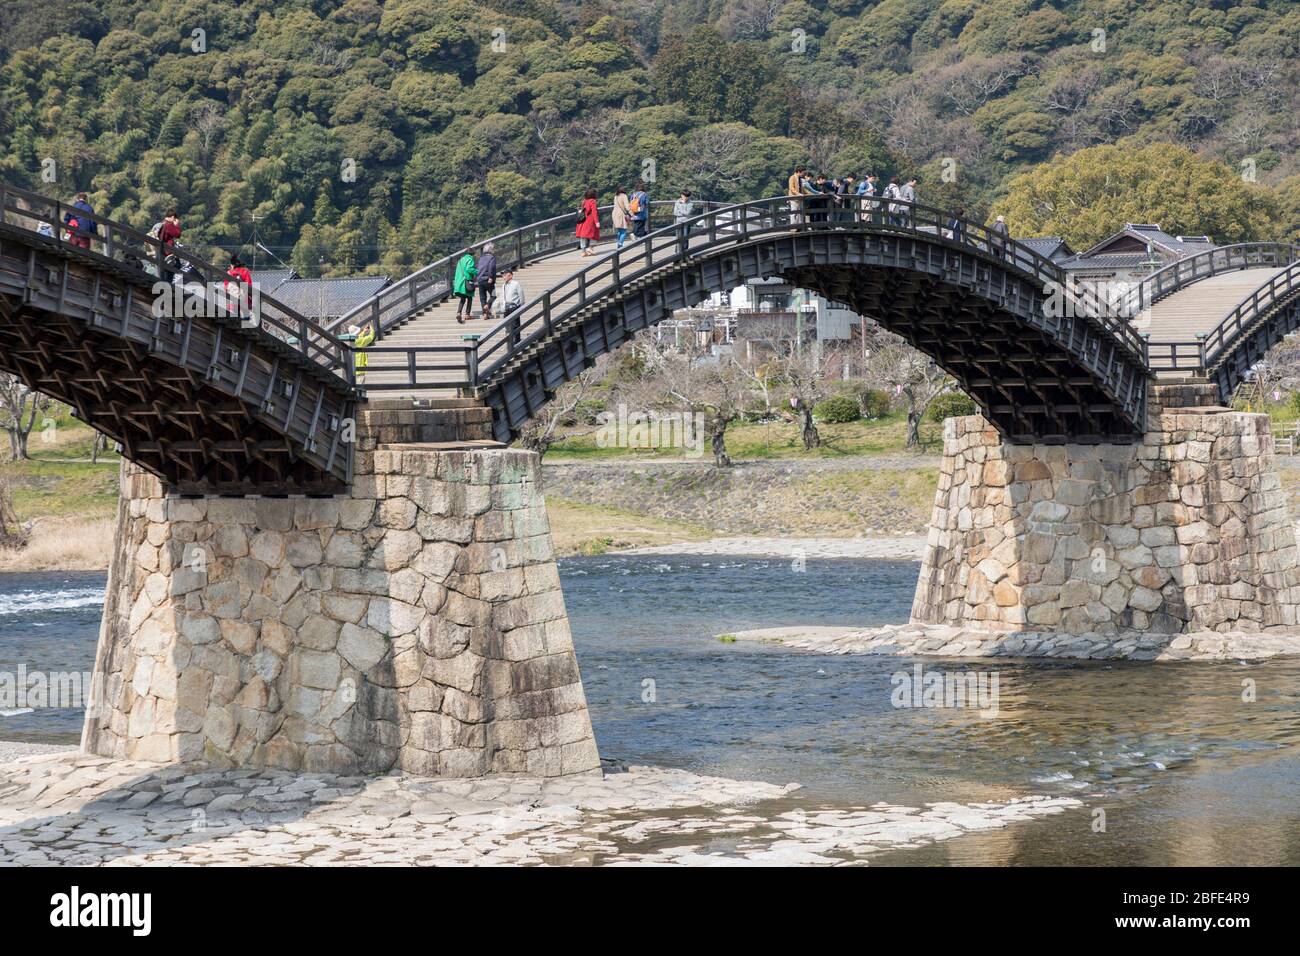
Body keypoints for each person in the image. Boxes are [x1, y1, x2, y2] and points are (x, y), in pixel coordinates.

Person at [475, 242, 498, 321]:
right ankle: (487, 306)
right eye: (493, 248)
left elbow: (477, 268)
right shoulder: (491, 258)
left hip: (480, 279)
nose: (494, 250)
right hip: (488, 279)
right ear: (491, 250)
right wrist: (491, 277)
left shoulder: (481, 258)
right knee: (494, 295)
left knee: (482, 297)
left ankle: (485, 313)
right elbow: (491, 267)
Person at [453, 250, 477, 324]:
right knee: (469, 298)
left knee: (463, 299)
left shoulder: (460, 260)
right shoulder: (470, 259)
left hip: (460, 282)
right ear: (472, 254)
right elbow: (469, 269)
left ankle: (458, 313)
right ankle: (467, 314)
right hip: (466, 282)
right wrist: (477, 272)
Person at [575, 188, 600, 255]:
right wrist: (597, 222)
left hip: (583, 221)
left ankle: (583, 252)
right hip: (590, 221)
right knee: (593, 234)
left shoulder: (584, 201)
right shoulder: (593, 201)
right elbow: (594, 212)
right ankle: (590, 247)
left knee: (583, 236)